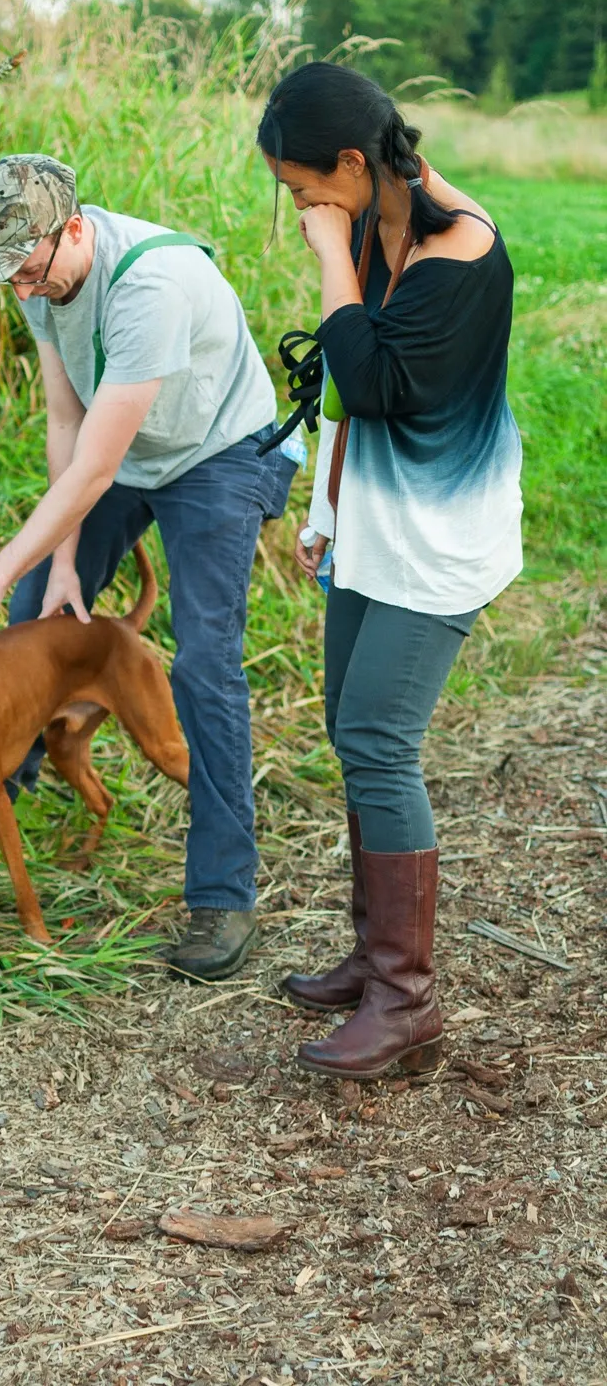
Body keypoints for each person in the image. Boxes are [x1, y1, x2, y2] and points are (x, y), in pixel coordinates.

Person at [0, 154, 300, 979]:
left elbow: (93, 471)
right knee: (40, 606)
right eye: (8, 279)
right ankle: (1, 790)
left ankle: (222, 896)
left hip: (218, 454)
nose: (22, 291)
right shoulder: (38, 279)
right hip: (126, 452)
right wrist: (62, 563)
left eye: (29, 271)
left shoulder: (149, 286)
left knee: (206, 663)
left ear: (74, 230)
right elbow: (66, 423)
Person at [257, 62, 523, 1079]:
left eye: (306, 191)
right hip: (370, 523)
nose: (302, 211)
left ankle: (407, 1001)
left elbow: (368, 380)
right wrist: (324, 506)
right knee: (347, 723)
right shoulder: (384, 209)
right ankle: (375, 960)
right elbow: (342, 381)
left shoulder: (463, 255)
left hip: (439, 539)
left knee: (377, 735)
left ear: (355, 164)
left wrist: (332, 249)